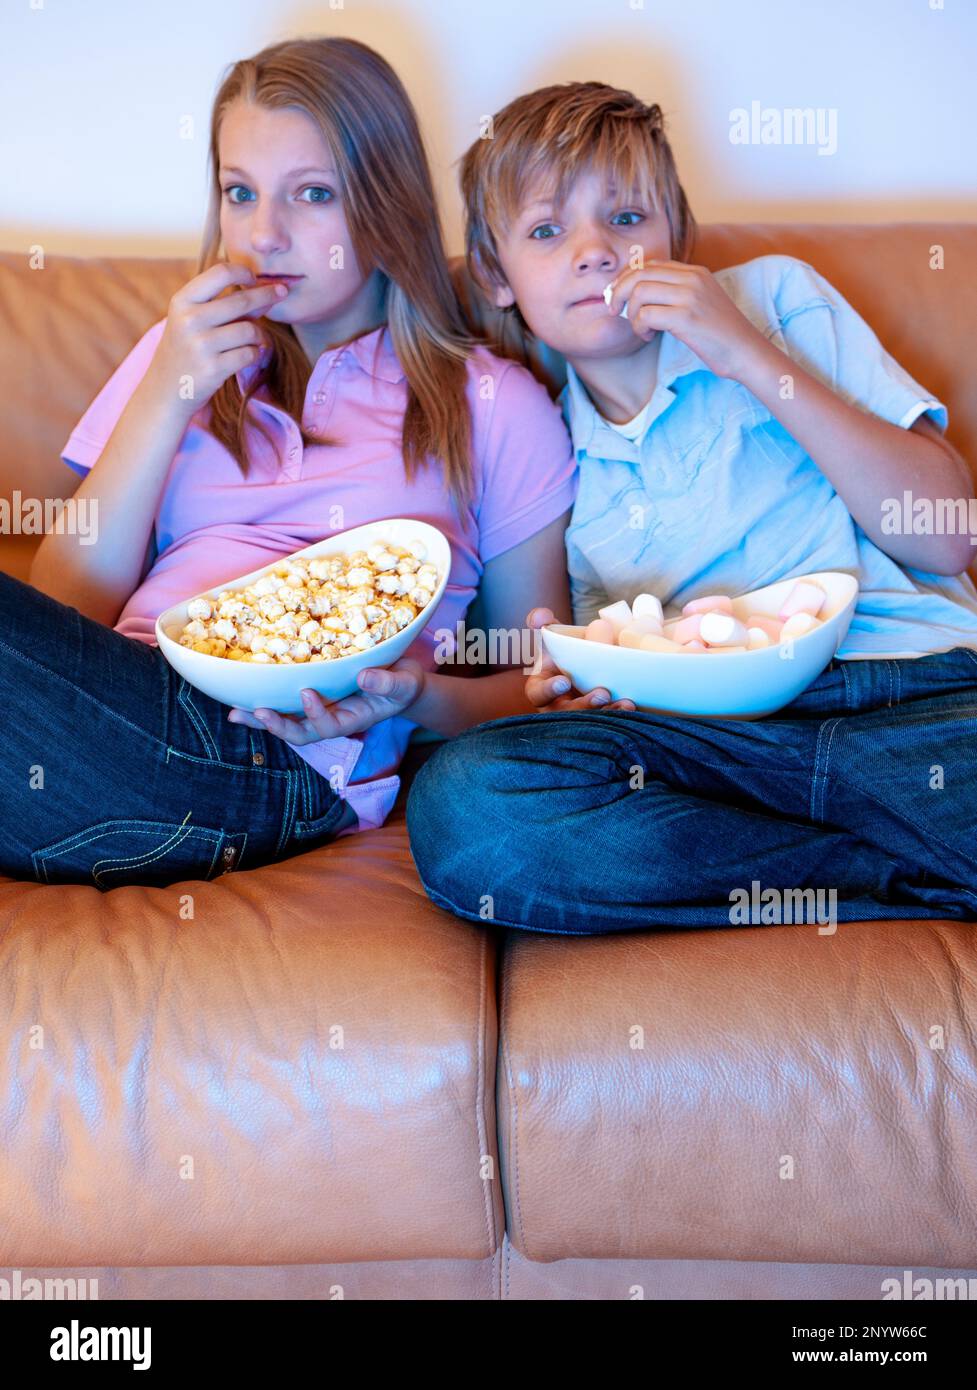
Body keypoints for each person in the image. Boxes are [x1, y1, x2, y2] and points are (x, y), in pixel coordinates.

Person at [406, 80, 977, 934]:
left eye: (627, 218)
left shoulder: (772, 303)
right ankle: (897, 875)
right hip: (715, 755)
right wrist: (549, 685)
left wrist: (744, 354)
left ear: (676, 235)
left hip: (912, 704)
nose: (596, 251)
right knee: (470, 805)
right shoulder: (530, 437)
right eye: (547, 230)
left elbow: (948, 536)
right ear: (494, 275)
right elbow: (547, 672)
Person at [5, 37, 577, 891]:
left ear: (387, 205)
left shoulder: (491, 404)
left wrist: (415, 696)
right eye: (240, 193)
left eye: (312, 194)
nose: (264, 235)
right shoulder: (180, 355)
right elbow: (64, 618)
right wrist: (169, 391)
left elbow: (542, 683)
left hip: (279, 765)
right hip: (108, 722)